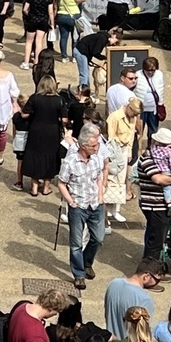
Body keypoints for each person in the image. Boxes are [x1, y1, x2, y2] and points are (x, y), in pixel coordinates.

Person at [59, 123, 108, 290]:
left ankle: (87, 262)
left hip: (96, 205)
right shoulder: (70, 162)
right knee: (76, 243)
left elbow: (99, 177)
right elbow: (61, 183)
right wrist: (70, 201)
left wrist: (101, 196)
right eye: (94, 146)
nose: (97, 148)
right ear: (84, 145)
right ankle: (79, 274)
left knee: (98, 238)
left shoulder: (97, 159)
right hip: (78, 206)